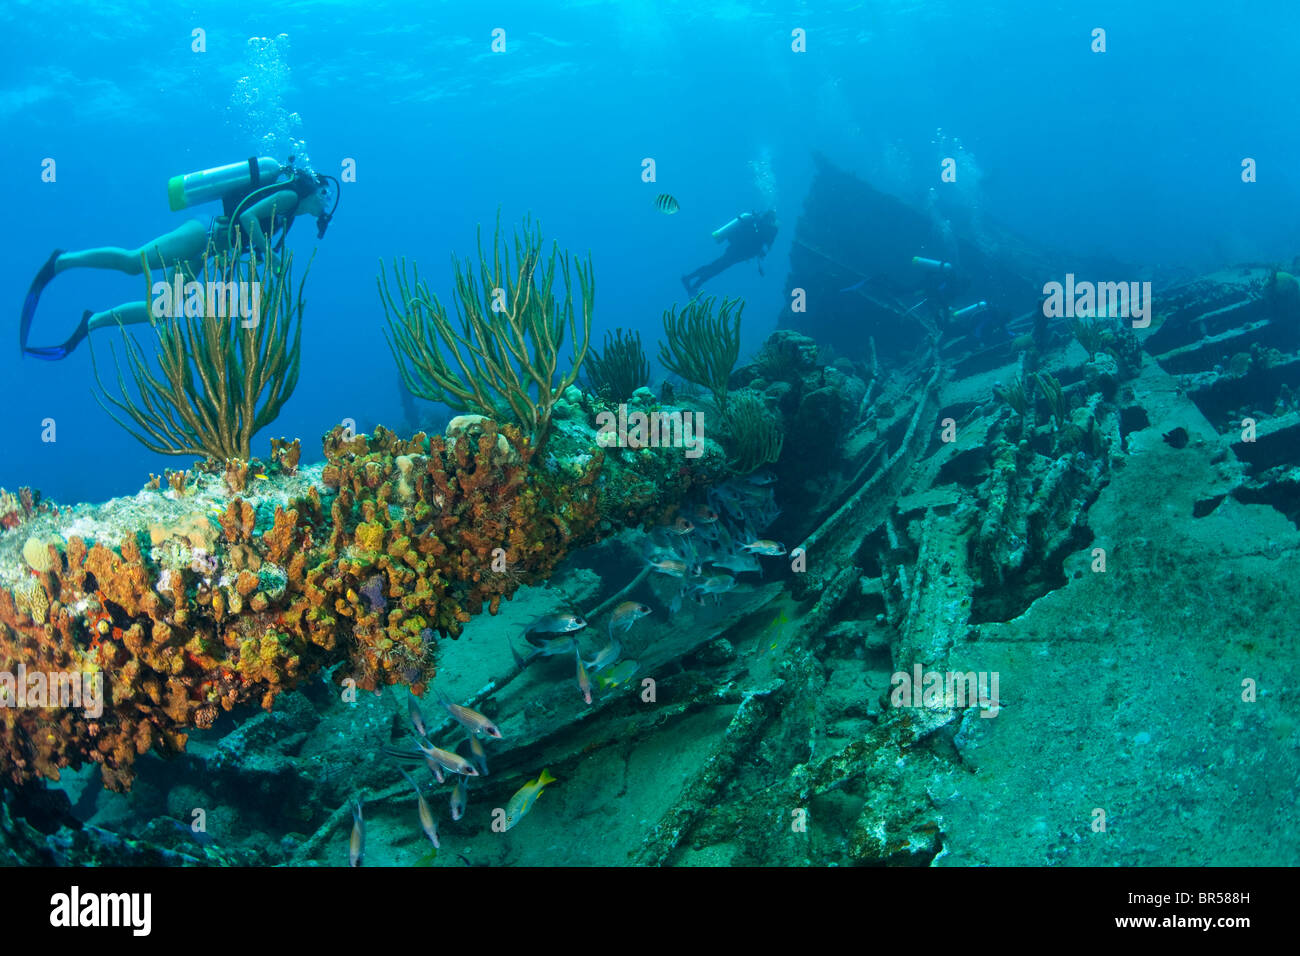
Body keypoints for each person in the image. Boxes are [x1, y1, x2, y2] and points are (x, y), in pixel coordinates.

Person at [20, 157, 338, 360]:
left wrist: (258, 257)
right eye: (324, 195)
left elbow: (248, 231)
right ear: (314, 189)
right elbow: (247, 218)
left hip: (206, 251)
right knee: (134, 263)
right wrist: (269, 256)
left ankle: (90, 323)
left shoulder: (288, 216)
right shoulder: (289, 196)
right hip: (202, 234)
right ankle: (61, 261)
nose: (325, 205)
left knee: (160, 311)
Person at [681, 209, 778, 296]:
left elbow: (757, 245)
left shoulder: (758, 224)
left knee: (716, 267)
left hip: (737, 252)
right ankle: (690, 281)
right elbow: (757, 245)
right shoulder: (760, 227)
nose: (771, 222)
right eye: (771, 220)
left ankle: (692, 283)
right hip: (737, 252)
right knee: (715, 268)